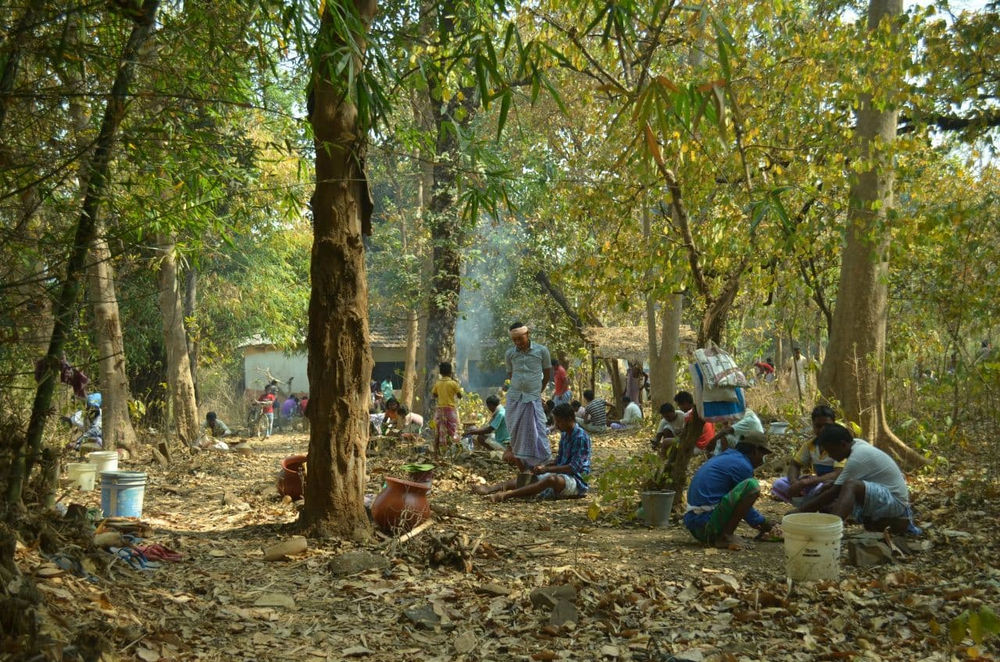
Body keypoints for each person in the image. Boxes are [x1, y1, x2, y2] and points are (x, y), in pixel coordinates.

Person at [793, 423, 916, 534]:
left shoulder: (857, 457)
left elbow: (834, 492)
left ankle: (830, 529)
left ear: (843, 444)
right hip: (886, 497)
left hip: (895, 503)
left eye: (831, 451)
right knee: (831, 487)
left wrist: (800, 511)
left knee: (850, 485)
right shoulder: (857, 443)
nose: (830, 455)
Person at [683, 431, 780, 550]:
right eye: (763, 455)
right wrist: (765, 524)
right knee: (752, 486)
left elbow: (737, 502)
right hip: (706, 525)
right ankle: (726, 536)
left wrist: (762, 524)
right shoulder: (743, 465)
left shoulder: (728, 457)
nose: (762, 460)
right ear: (755, 451)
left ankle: (723, 534)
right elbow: (746, 505)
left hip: (696, 526)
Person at [474, 403, 590, 502]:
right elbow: (559, 460)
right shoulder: (565, 435)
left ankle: (506, 495)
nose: (557, 426)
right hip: (563, 475)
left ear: (569, 419)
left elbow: (573, 468)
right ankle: (492, 488)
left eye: (559, 422)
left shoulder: (580, 437)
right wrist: (543, 466)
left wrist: (547, 469)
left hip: (576, 481)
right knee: (531, 476)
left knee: (551, 480)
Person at [503, 322, 552, 470]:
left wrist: (537, 391)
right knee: (515, 432)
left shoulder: (542, 351)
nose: (518, 342)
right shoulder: (510, 354)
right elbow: (511, 375)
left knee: (538, 432)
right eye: (514, 340)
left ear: (527, 334)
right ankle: (523, 469)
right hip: (515, 398)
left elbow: (547, 374)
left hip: (532, 399)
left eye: (520, 339)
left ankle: (541, 465)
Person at [771, 405, 841, 503]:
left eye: (827, 426)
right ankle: (807, 504)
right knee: (779, 483)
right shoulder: (810, 445)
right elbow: (795, 464)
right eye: (818, 426)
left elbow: (838, 474)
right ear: (813, 426)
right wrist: (794, 482)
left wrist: (806, 482)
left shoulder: (840, 445)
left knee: (823, 488)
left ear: (834, 425)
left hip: (832, 484)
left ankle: (807, 505)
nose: (822, 430)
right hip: (816, 483)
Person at [431, 362, 463, 456]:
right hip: (450, 410)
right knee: (452, 430)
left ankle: (436, 452)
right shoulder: (453, 383)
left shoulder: (438, 383)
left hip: (440, 410)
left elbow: (434, 395)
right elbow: (460, 395)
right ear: (450, 372)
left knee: (438, 430)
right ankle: (452, 452)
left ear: (440, 373)